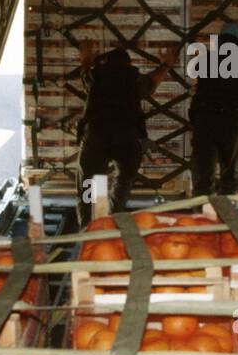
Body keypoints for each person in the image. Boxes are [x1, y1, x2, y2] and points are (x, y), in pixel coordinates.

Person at [75, 42, 175, 224]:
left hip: (97, 134)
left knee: (89, 183)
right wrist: (166, 64)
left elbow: (84, 75)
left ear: (105, 62)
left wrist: (86, 59)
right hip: (127, 136)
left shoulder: (96, 75)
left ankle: (88, 229)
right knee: (123, 181)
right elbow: (153, 81)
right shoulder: (134, 78)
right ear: (129, 64)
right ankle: (113, 219)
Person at [188, 21, 238, 195]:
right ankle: (227, 216)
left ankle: (202, 216)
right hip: (233, 122)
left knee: (203, 176)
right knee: (230, 176)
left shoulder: (204, 60)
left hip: (205, 122)